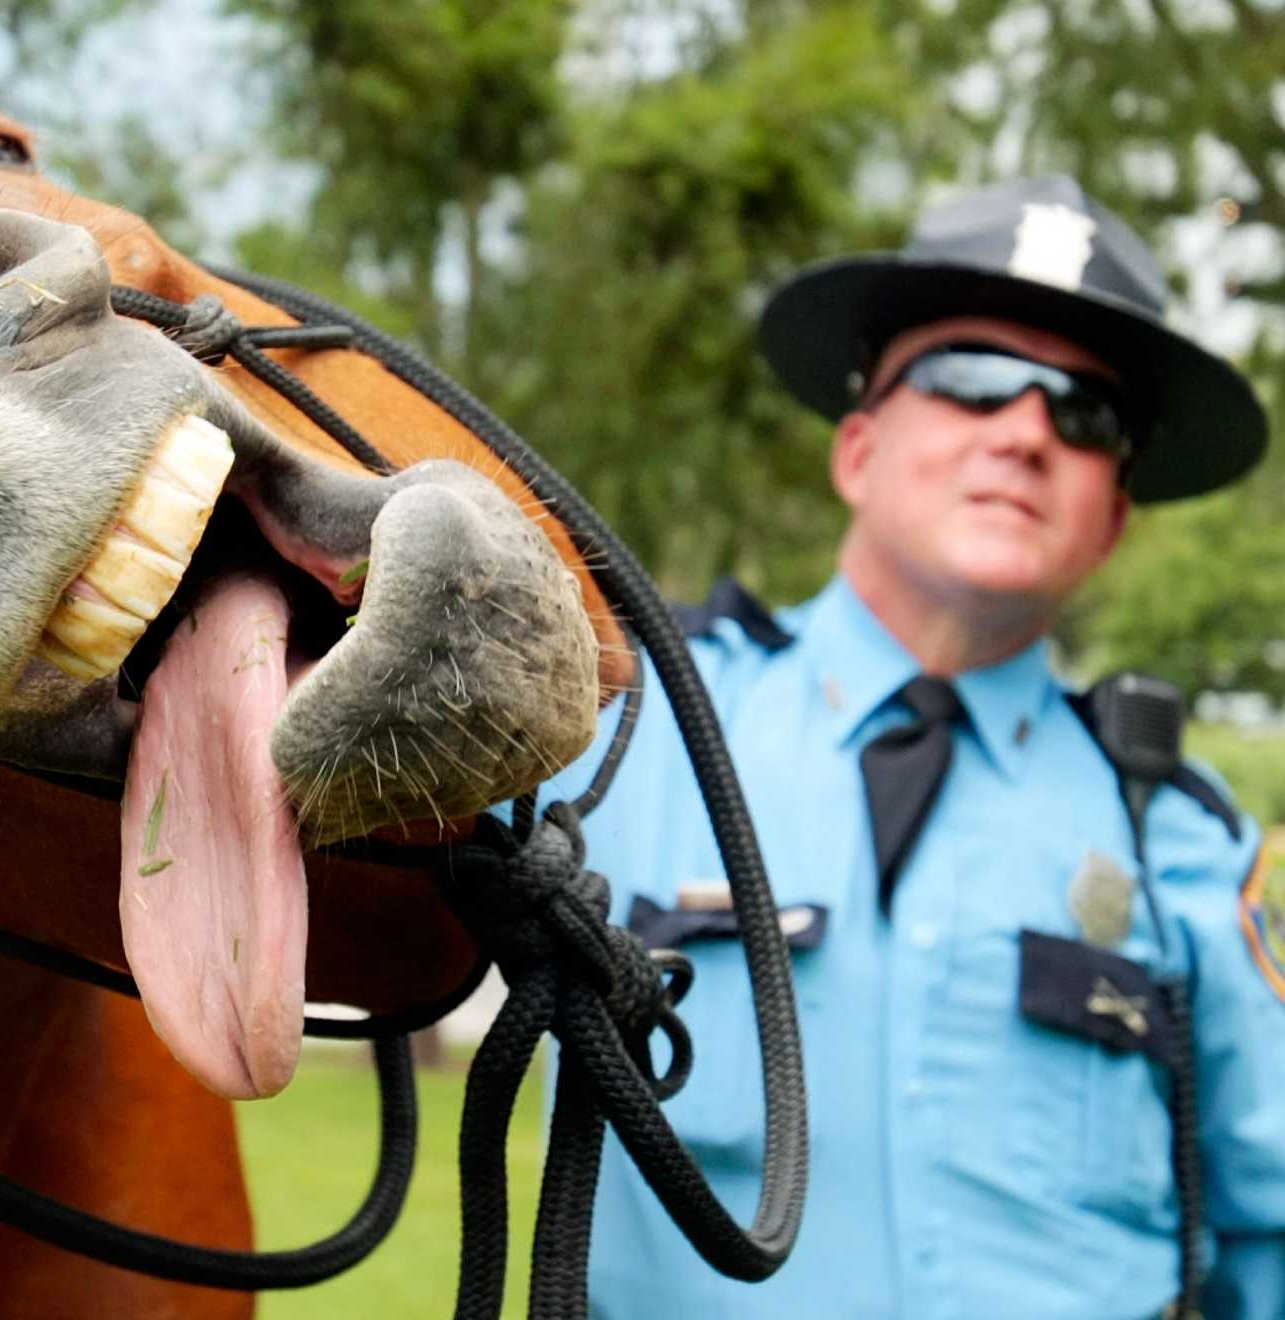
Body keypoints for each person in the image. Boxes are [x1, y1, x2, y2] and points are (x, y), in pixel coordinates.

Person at [539, 176, 1284, 1318]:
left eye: (1085, 413)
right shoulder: (609, 730)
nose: (1027, 431)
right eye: (970, 380)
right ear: (857, 450)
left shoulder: (1182, 843)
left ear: (1113, 515)